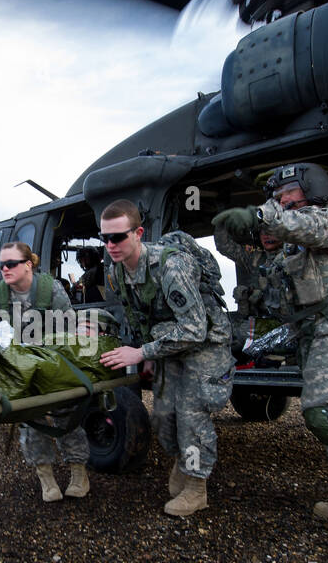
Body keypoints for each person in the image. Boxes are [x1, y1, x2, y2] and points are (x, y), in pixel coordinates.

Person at [213, 162, 328, 545]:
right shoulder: (296, 239)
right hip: (315, 330)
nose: (280, 199)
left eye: (287, 193)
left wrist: (262, 213)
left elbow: (298, 224)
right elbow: (273, 262)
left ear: (312, 189)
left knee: (322, 409)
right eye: (276, 196)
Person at [97, 200, 234, 517]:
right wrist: (148, 354)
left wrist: (142, 352)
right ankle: (183, 461)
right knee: (162, 416)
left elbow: (195, 329)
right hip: (167, 344)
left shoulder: (171, 267)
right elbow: (141, 317)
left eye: (118, 237)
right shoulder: (117, 273)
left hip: (205, 344)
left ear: (138, 233)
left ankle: (197, 488)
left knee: (191, 416)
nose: (110, 245)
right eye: (104, 238)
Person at [0, 242, 90, 501]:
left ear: (28, 265)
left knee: (67, 414)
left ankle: (78, 473)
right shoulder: (0, 294)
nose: (5, 269)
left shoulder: (49, 288)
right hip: (19, 367)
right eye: (2, 265)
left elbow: (70, 327)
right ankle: (46, 478)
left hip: (52, 362)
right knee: (31, 421)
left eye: (11, 264)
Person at [213, 209, 278, 356]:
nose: (267, 236)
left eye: (272, 232)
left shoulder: (293, 256)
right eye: (263, 233)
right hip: (258, 323)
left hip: (288, 323)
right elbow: (225, 246)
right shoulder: (255, 258)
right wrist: (222, 222)